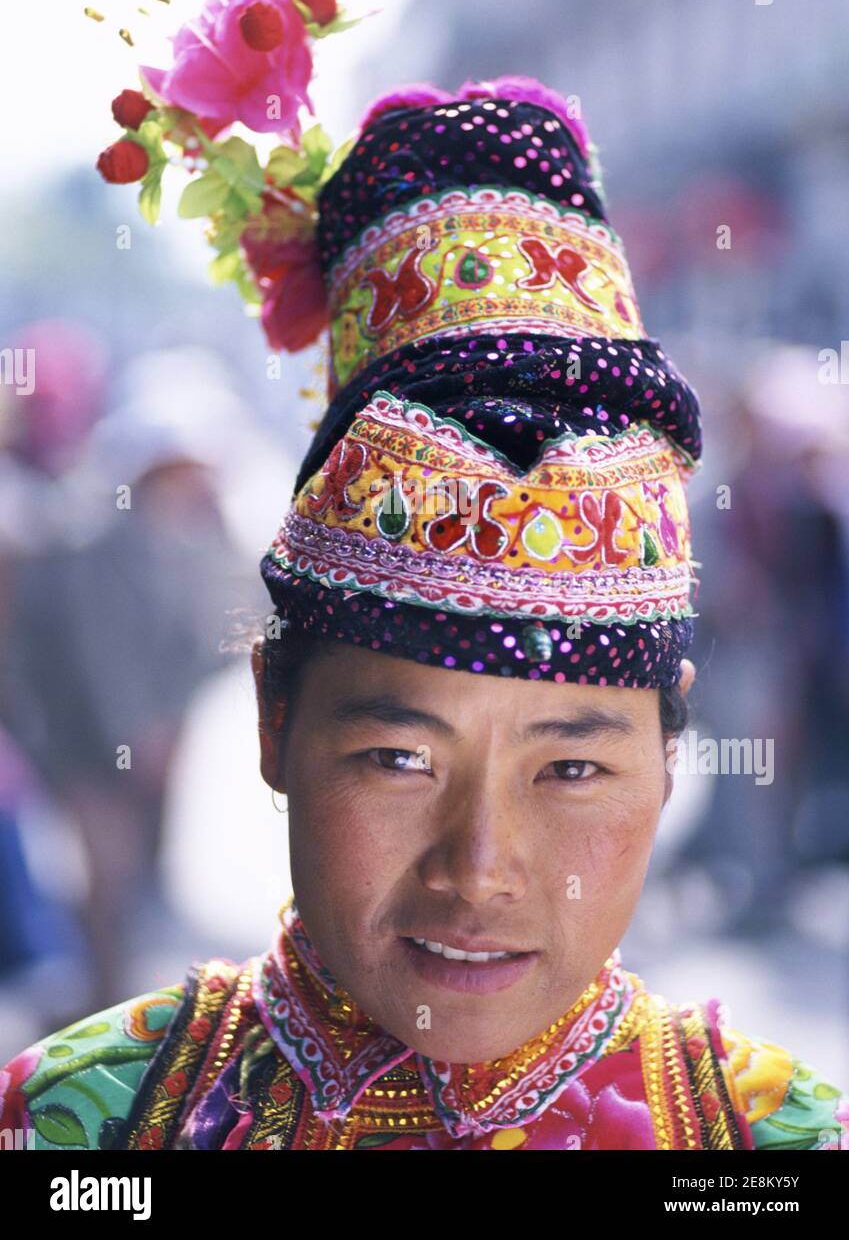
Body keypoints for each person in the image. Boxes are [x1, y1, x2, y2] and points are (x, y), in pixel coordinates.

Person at [1, 71, 846, 1152]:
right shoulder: (79, 1127)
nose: (478, 867)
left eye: (572, 767)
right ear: (275, 721)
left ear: (669, 755)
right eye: (400, 756)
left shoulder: (774, 1147)